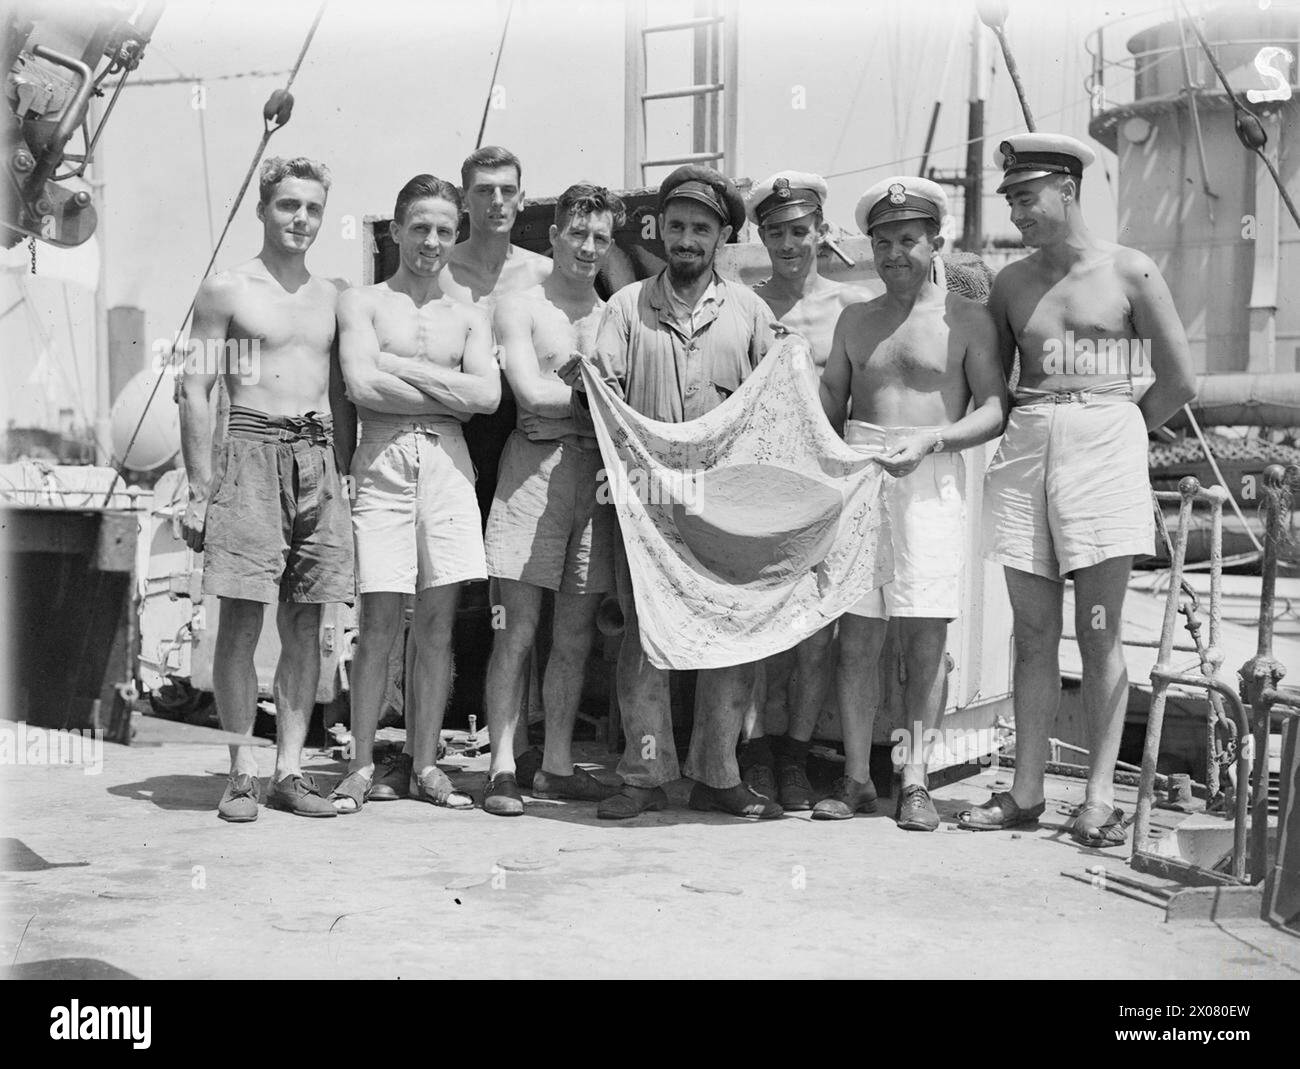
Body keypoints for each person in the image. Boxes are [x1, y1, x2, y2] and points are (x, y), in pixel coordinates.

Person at [959, 134, 1195, 846]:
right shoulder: (1010, 284)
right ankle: (1026, 789)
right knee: (1031, 635)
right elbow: (993, 386)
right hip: (1029, 440)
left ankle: (1098, 794)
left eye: (1027, 197)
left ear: (1068, 190)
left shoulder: (1131, 272)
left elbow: (1180, 381)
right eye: (1011, 200)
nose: (1018, 212)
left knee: (1097, 633)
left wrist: (1118, 430)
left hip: (1104, 439)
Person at [562, 164, 783, 821]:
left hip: (727, 505)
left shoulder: (750, 313)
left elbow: (777, 405)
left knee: (729, 635)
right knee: (644, 636)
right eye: (677, 226)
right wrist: (582, 381)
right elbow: (596, 396)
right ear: (660, 229)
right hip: (646, 508)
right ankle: (645, 772)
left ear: (722, 237)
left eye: (702, 228)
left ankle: (719, 773)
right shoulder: (626, 308)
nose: (687, 239)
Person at [819, 176, 1006, 830]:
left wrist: (934, 438)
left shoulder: (966, 319)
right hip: (862, 476)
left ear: (936, 243)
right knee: (858, 637)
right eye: (882, 241)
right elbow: (827, 408)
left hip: (932, 477)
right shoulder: (853, 319)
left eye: (907, 239)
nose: (894, 253)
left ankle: (916, 778)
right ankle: (854, 777)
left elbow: (993, 408)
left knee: (925, 636)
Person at [178, 156, 354, 822]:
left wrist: (347, 468)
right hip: (248, 452)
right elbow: (194, 387)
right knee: (243, 620)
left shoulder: (332, 295)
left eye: (312, 207)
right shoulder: (226, 288)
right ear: (262, 208)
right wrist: (200, 487)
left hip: (317, 455)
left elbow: (340, 390)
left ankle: (288, 769)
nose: (301, 218)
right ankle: (241, 772)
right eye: (288, 205)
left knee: (306, 618)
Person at [331, 174, 500, 814]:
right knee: (378, 618)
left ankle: (426, 763)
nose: (431, 241)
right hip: (382, 455)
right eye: (420, 227)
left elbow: (486, 399)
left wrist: (397, 367)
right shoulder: (363, 302)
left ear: (457, 236)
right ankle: (361, 763)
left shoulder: (471, 314)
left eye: (444, 230)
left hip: (448, 463)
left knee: (437, 621)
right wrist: (440, 385)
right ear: (396, 230)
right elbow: (361, 388)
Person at [479, 184, 627, 816]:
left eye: (600, 237)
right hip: (531, 470)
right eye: (577, 234)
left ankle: (558, 764)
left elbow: (632, 410)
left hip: (594, 480)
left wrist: (587, 398)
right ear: (554, 235)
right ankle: (502, 768)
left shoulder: (615, 314)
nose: (587, 248)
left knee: (574, 634)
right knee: (516, 628)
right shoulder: (519, 305)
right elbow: (531, 396)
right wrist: (598, 399)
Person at [739, 170, 877, 810]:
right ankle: (755, 748)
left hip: (827, 483)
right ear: (759, 236)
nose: (789, 244)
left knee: (817, 630)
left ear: (821, 231)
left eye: (799, 230)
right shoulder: (745, 303)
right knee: (759, 622)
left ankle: (795, 752)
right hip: (761, 481)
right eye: (775, 233)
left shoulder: (853, 305)